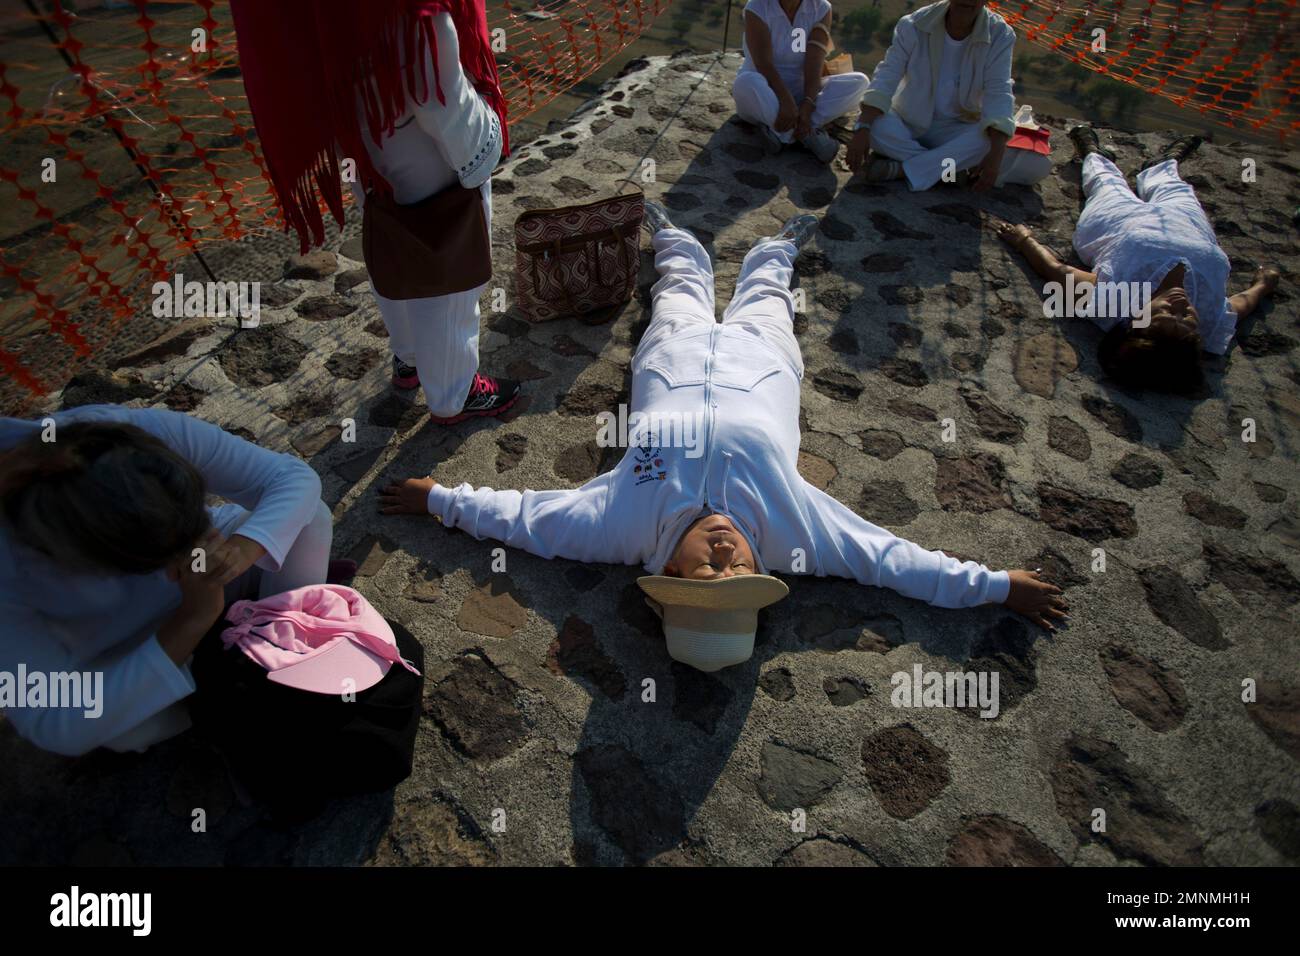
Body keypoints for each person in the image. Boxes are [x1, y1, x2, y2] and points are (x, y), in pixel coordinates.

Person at [380, 202, 1067, 672]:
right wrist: (996, 586)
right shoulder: (796, 536)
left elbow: (526, 520)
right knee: (767, 290)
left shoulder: (618, 527)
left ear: (669, 574)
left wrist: (439, 500)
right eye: (742, 572)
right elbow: (892, 562)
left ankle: (672, 234)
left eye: (712, 572)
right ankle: (780, 243)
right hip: (763, 361)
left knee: (678, 281)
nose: (728, 556)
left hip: (672, 355)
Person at [229, 0, 520, 424]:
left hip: (360, 122)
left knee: (389, 237)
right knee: (447, 268)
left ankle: (409, 359)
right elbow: (434, 86)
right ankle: (453, 394)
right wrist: (483, 146)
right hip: (422, 134)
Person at [0, 405, 338, 756]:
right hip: (114, 640)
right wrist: (195, 617)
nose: (174, 571)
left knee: (309, 519)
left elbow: (292, 478)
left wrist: (240, 550)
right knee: (124, 731)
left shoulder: (117, 430)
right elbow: (53, 724)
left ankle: (279, 639)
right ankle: (219, 694)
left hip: (213, 580)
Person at [991, 126, 1282, 393]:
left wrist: (1023, 240)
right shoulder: (1209, 319)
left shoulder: (1114, 302)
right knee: (1175, 188)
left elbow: (1056, 271)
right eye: (1187, 320)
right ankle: (1162, 165)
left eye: (1167, 314)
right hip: (1187, 224)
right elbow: (1241, 304)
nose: (1181, 306)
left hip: (1114, 224)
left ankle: (1093, 151)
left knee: (1105, 184)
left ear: (1136, 322)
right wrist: (1263, 285)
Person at [845, 0, 1045, 192]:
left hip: (956, 126)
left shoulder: (1000, 34)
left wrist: (997, 151)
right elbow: (888, 73)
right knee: (877, 127)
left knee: (986, 142)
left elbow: (999, 88)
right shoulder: (915, 24)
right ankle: (947, 171)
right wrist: (863, 126)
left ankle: (903, 170)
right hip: (908, 120)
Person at [732, 0, 870, 164]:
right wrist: (785, 100)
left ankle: (783, 133)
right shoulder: (757, 7)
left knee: (860, 82)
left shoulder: (820, 8)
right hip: (764, 90)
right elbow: (763, 63)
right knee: (746, 81)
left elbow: (814, 61)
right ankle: (806, 134)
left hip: (800, 90)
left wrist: (808, 102)